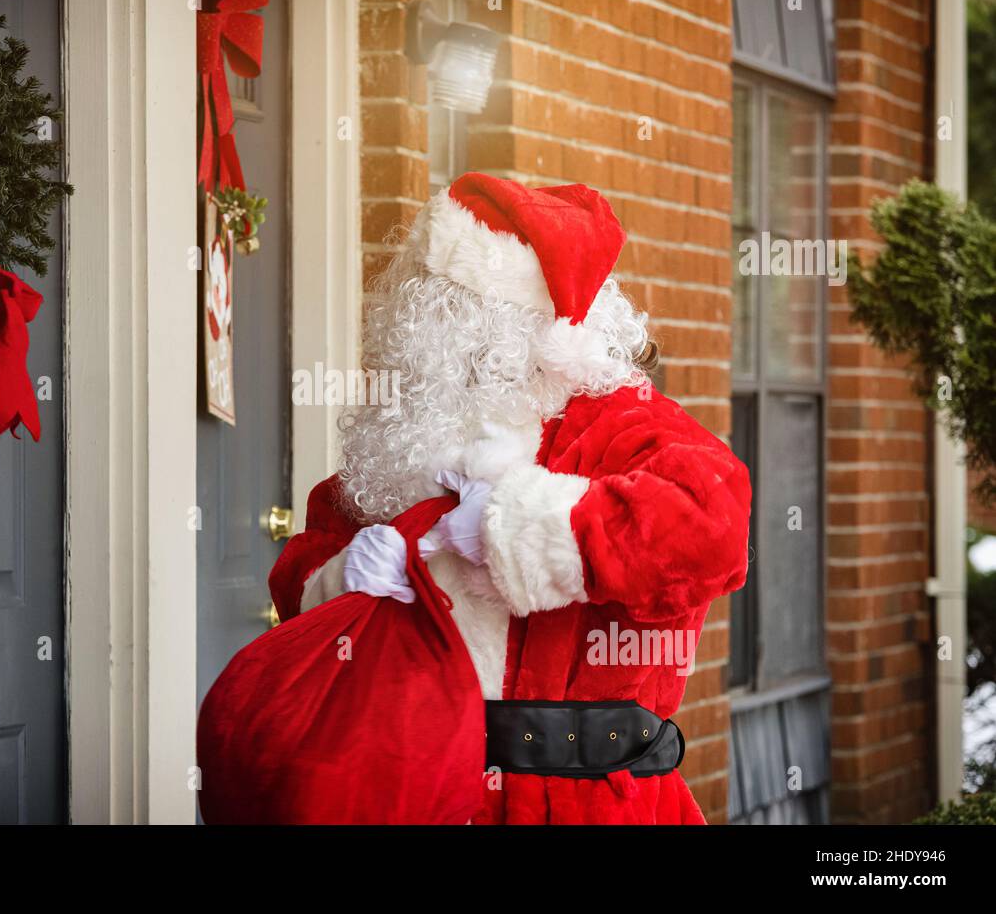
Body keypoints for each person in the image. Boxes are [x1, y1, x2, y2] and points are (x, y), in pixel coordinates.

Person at [268, 172, 752, 824]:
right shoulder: (404, 437)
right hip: (412, 791)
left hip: (586, 804)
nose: (439, 347)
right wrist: (339, 580)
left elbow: (710, 527)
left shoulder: (621, 425)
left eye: (463, 323)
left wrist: (520, 526)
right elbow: (305, 563)